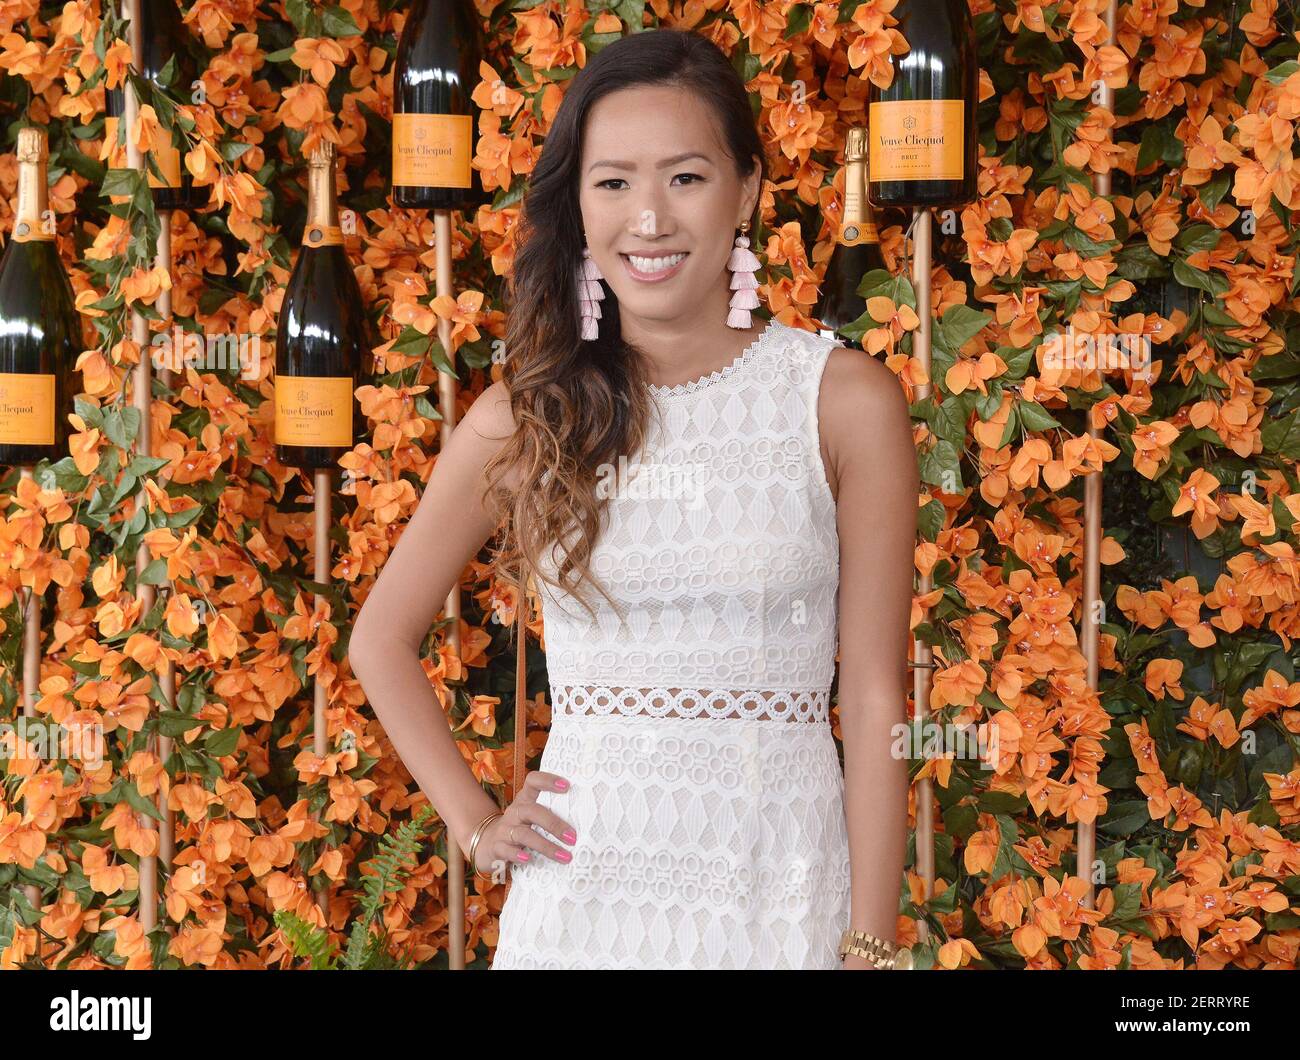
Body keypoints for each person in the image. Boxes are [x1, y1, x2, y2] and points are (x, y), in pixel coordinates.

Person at [350, 27, 919, 969]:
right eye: (613, 182)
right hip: (580, 908)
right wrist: (476, 823)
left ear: (747, 191)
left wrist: (871, 942)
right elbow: (380, 639)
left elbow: (869, 696)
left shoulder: (843, 401)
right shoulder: (523, 417)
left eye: (685, 178)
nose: (648, 219)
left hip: (778, 893)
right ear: (576, 206)